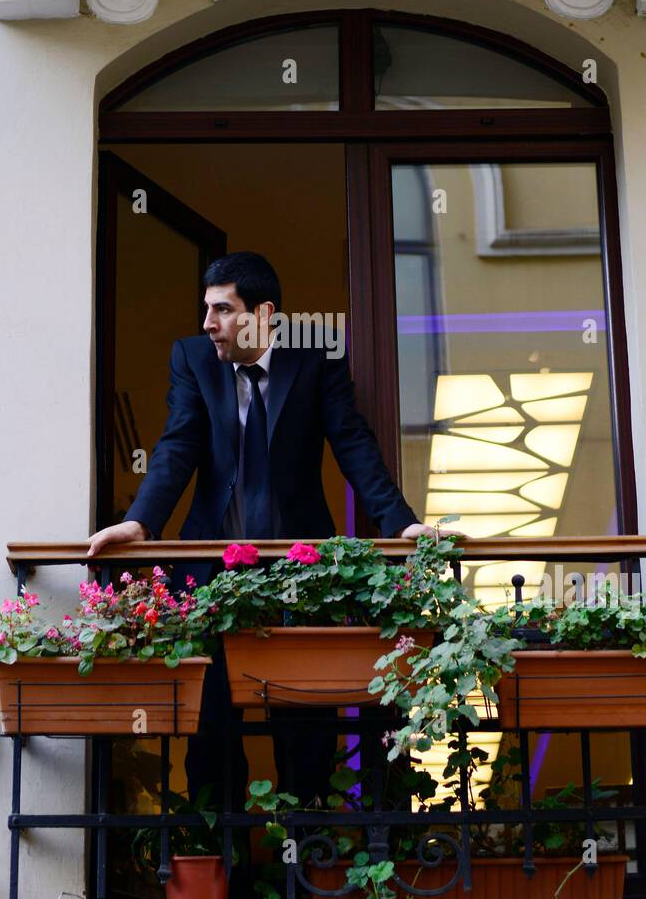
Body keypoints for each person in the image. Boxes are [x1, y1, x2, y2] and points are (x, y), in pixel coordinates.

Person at [87, 251, 433, 810]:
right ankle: (223, 861)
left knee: (307, 721)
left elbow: (353, 445)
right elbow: (178, 446)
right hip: (212, 573)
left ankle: (309, 850)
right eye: (207, 310)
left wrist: (403, 524)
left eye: (221, 310)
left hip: (302, 571)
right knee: (212, 721)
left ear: (262, 313)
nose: (208, 323)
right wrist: (141, 521)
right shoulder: (195, 359)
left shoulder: (315, 361)